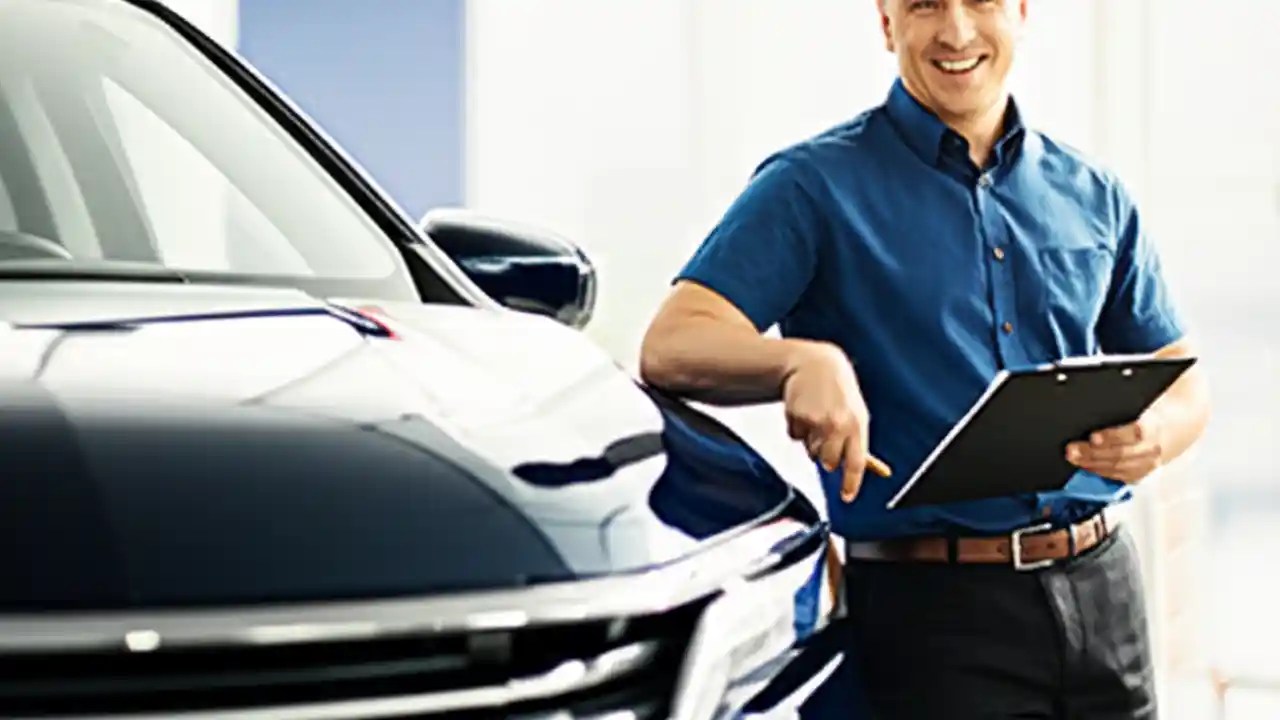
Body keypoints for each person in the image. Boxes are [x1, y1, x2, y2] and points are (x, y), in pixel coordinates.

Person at [639, 0, 1212, 717]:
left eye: (981, 3)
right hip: (931, 621)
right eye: (925, 5)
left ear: (1021, 12)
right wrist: (798, 363)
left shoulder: (1094, 193)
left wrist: (1155, 434)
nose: (957, 31)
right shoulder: (811, 186)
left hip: (1106, 598)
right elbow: (672, 343)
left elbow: (1184, 381)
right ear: (888, 24)